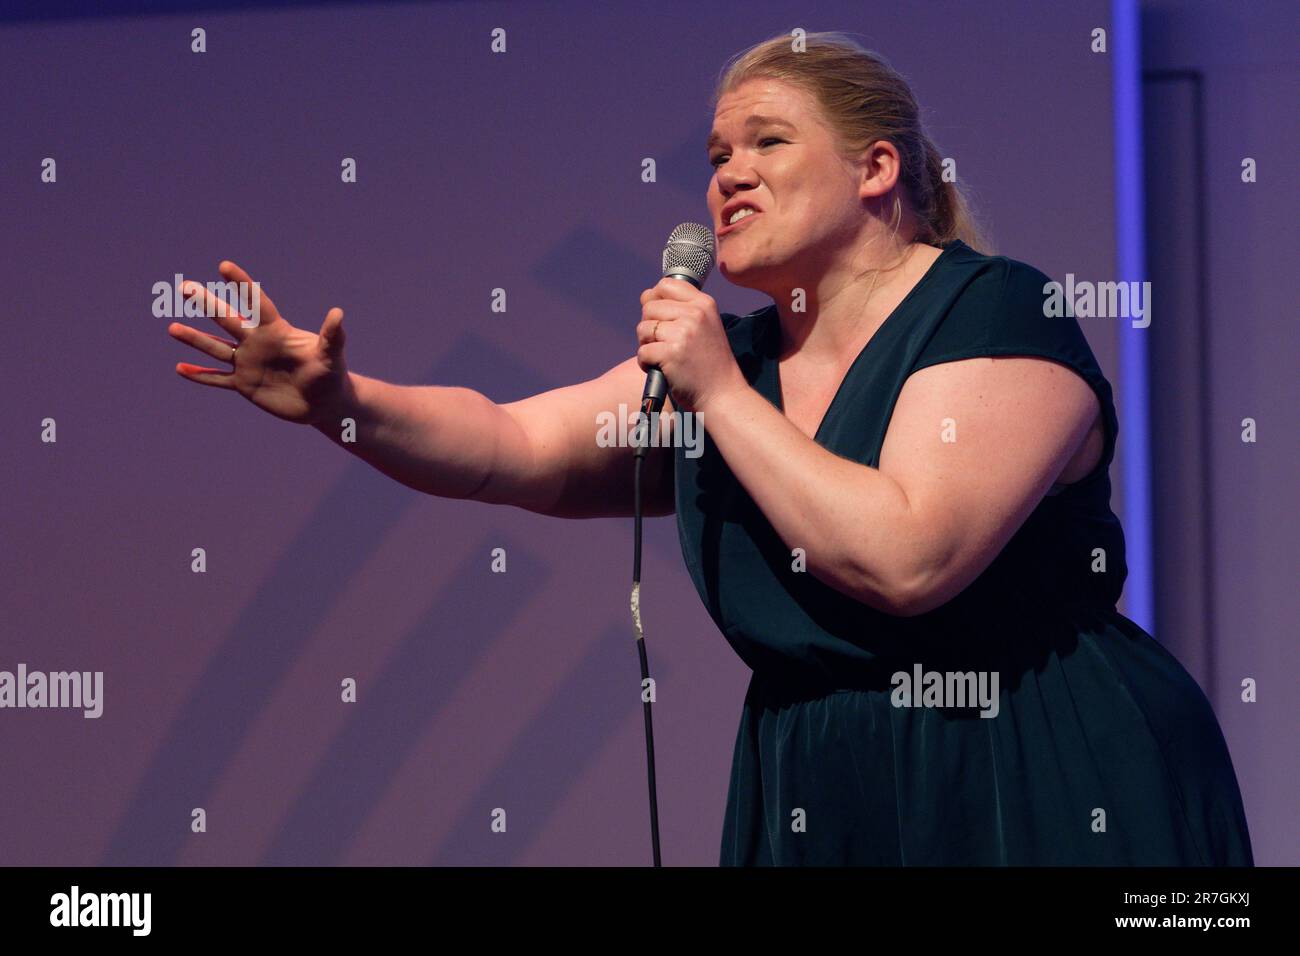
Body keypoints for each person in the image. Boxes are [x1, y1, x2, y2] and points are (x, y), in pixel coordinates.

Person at [167, 32, 1253, 866]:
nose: (725, 176)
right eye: (715, 155)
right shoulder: (726, 360)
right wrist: (341, 400)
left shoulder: (994, 309)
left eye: (766, 144)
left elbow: (910, 555)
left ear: (877, 168)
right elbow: (507, 445)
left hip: (1035, 758)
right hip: (818, 778)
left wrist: (723, 395)